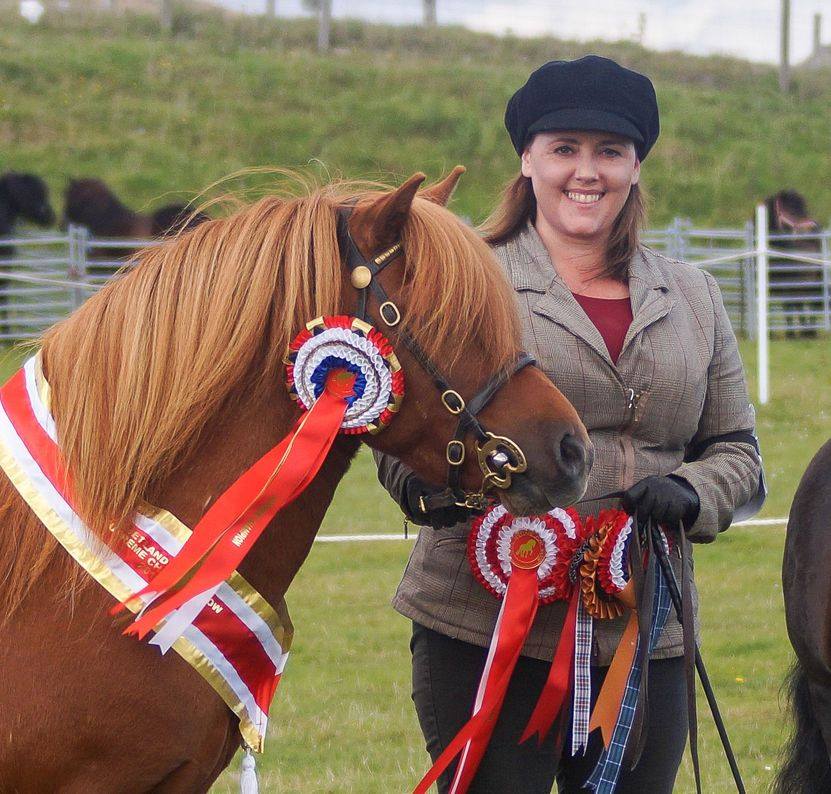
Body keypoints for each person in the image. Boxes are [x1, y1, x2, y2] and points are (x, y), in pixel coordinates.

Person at [375, 55, 764, 793]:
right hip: (485, 627)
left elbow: (738, 452)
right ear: (527, 160)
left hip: (645, 630)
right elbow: (405, 438)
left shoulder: (695, 295)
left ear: (635, 167)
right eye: (564, 149)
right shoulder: (468, 277)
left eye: (609, 152)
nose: (586, 172)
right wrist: (446, 492)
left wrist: (692, 492)